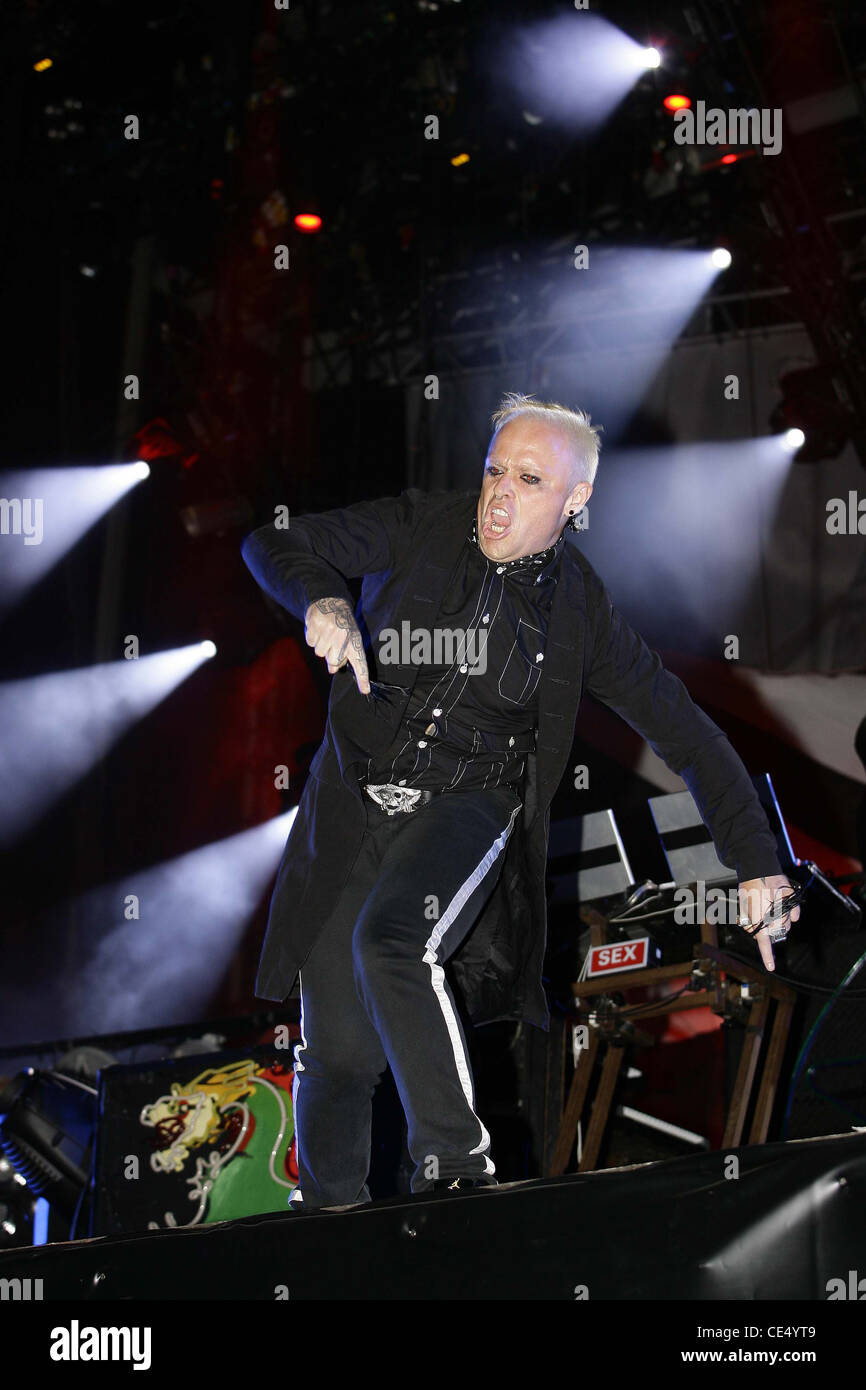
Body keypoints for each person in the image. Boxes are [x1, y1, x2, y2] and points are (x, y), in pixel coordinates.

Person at [240, 391, 800, 1210]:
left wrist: (756, 862)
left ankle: (457, 1173)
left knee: (392, 943)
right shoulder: (421, 524)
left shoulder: (581, 614)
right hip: (354, 805)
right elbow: (274, 540)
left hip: (465, 806)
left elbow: (690, 737)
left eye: (529, 480)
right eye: (494, 470)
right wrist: (321, 600)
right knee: (338, 1053)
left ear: (576, 499)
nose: (499, 494)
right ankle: (325, 1230)